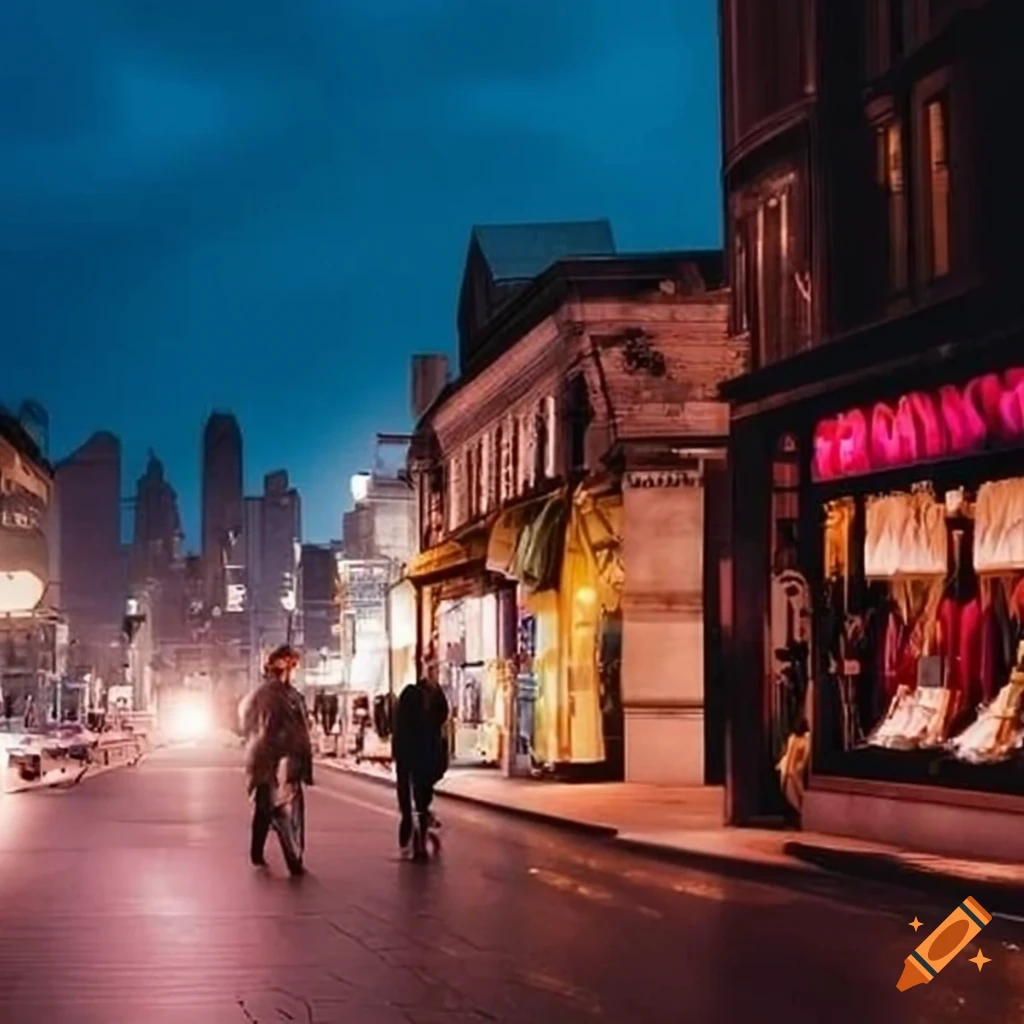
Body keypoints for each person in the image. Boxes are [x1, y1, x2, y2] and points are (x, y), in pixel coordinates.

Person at [239, 644, 313, 875]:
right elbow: (299, 732)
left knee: (266, 807)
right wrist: (304, 763)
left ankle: (257, 853)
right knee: (281, 809)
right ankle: (292, 858)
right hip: (279, 760)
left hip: (262, 759)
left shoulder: (256, 696)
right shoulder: (287, 697)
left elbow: (245, 725)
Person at [392, 665, 449, 854]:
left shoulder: (408, 696)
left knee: (407, 791)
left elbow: (397, 727)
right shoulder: (431, 708)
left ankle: (410, 821)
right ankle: (420, 829)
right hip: (423, 754)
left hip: (406, 752)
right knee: (422, 796)